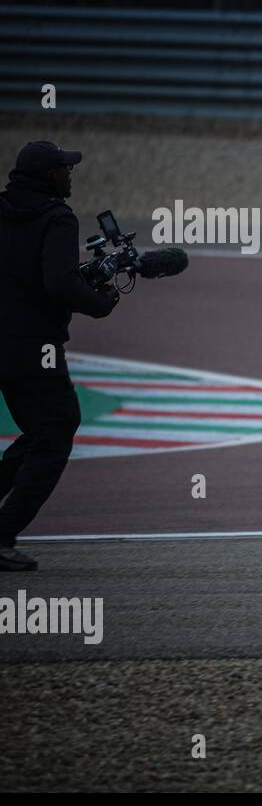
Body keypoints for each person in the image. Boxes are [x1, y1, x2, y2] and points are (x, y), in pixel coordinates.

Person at [0, 141, 118, 570]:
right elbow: (58, 284)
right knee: (56, 431)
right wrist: (101, 302)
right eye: (65, 169)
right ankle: (2, 535)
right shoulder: (58, 218)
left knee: (39, 431)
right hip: (35, 347)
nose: (70, 174)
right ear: (50, 176)